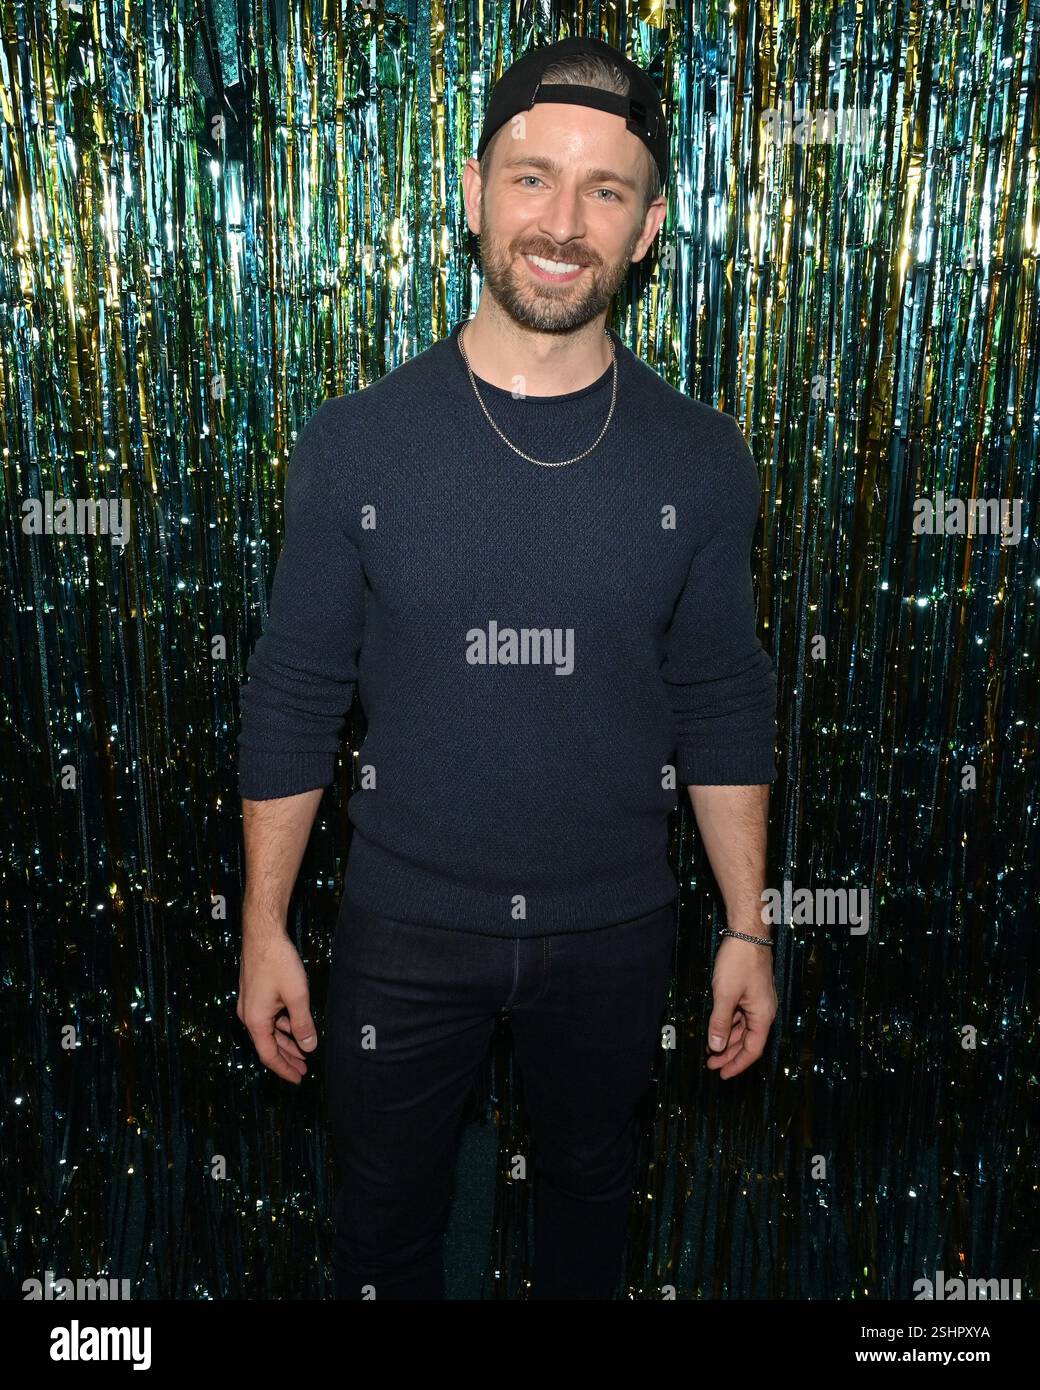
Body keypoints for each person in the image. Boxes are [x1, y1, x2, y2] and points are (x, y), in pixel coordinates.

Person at [236, 34, 780, 1301]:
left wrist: (749, 923)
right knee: (382, 1230)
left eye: (605, 191)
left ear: (646, 230)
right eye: (531, 179)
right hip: (402, 932)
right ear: (473, 195)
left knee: (590, 1222)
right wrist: (262, 924)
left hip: (616, 934)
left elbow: (720, 698)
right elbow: (294, 693)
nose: (561, 222)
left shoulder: (700, 460)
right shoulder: (355, 443)